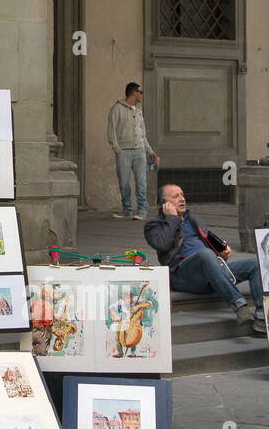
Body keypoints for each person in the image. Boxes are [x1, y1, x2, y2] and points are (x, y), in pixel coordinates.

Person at [144, 184, 265, 332]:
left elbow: (208, 243)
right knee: (205, 255)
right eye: (175, 197)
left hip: (210, 268)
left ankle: (261, 318)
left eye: (182, 195)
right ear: (164, 203)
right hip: (182, 275)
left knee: (255, 264)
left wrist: (222, 252)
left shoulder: (194, 219)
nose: (182, 199)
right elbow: (162, 244)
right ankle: (238, 304)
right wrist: (172, 218)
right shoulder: (154, 225)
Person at [106, 81, 158, 221]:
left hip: (140, 150)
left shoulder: (139, 110)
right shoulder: (117, 109)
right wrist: (117, 149)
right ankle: (127, 210)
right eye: (140, 92)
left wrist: (149, 150)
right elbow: (111, 131)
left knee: (141, 182)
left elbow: (142, 133)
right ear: (134, 93)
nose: (142, 94)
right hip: (124, 151)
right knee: (124, 182)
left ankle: (142, 211)